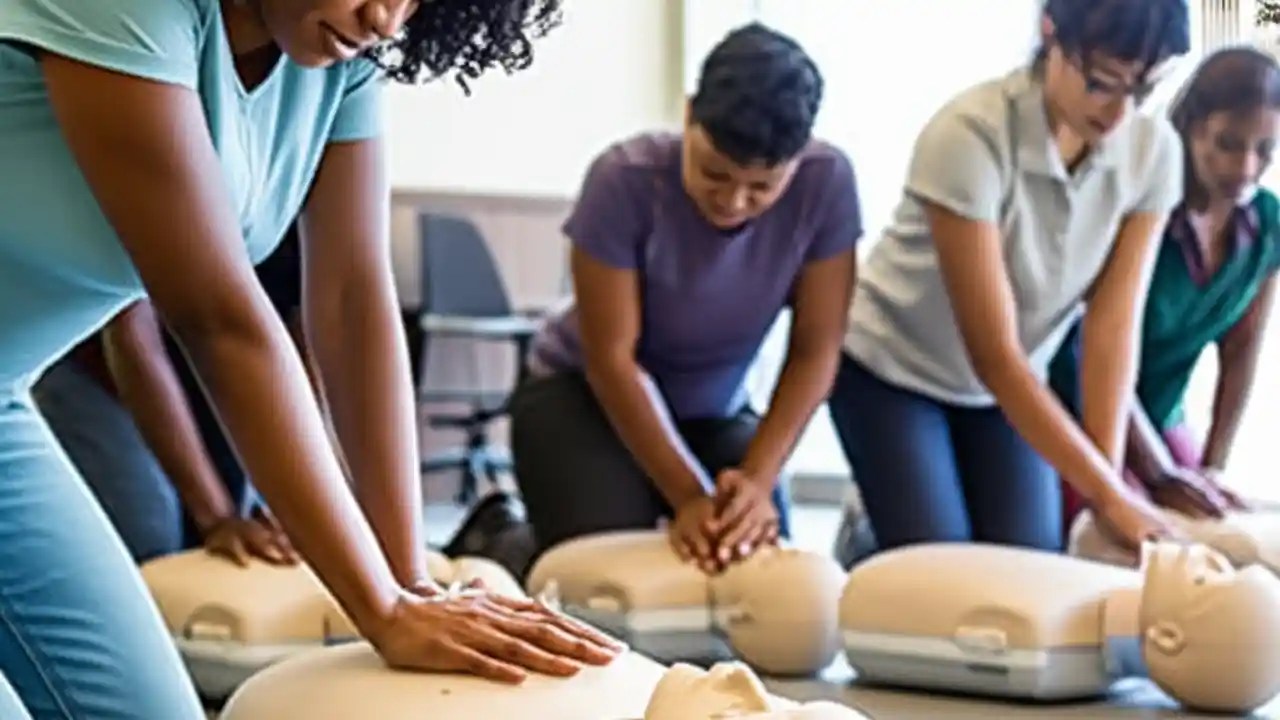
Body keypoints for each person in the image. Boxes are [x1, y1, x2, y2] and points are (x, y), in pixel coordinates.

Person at [0, 1, 622, 718]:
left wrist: (409, 579)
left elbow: (354, 299)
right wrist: (378, 607)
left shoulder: (336, 61)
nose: (387, 18)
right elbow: (218, 318)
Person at [826, 0, 1192, 558]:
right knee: (948, 575)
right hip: (892, 371)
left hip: (1008, 388)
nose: (1120, 114)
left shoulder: (1153, 152)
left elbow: (1111, 332)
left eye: (1141, 92)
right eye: (1101, 84)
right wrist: (1111, 495)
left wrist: (1107, 487)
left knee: (1030, 572)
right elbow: (993, 352)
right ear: (1051, 35)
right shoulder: (970, 134)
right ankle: (870, 533)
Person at [512, 23, 861, 576]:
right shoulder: (623, 178)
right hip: (581, 397)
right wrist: (689, 495)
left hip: (713, 408)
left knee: (756, 566)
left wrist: (756, 482)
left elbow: (816, 350)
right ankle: (505, 539)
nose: (734, 201)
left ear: (798, 159)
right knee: (607, 574)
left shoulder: (830, 184)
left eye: (762, 188)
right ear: (688, 113)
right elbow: (612, 360)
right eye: (714, 173)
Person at [1050, 47, 1280, 528]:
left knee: (1218, 523)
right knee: (1125, 537)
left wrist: (1212, 468)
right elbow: (1094, 349)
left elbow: (1241, 353)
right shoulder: (1141, 206)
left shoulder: (1268, 222)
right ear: (1194, 128)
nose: (1246, 168)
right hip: (1079, 413)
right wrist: (1157, 473)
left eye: (1264, 150)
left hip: (1160, 415)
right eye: (1229, 144)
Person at [33, 227, 311, 565]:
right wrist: (216, 517)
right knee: (153, 536)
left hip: (215, 361)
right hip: (100, 362)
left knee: (259, 519)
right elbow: (133, 339)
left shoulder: (307, 200)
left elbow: (312, 339)